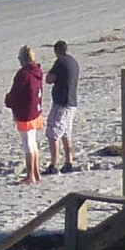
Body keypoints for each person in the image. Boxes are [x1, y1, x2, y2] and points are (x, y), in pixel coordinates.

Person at [4, 45, 44, 184]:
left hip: (26, 112)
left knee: (28, 145)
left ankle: (30, 175)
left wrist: (8, 100)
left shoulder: (23, 74)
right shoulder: (37, 71)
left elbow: (15, 93)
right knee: (33, 143)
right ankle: (36, 172)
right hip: (35, 110)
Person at [44, 39, 79, 175]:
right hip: (72, 102)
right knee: (65, 133)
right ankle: (68, 161)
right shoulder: (73, 62)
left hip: (62, 102)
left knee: (53, 132)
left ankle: (54, 163)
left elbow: (49, 79)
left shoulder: (60, 62)